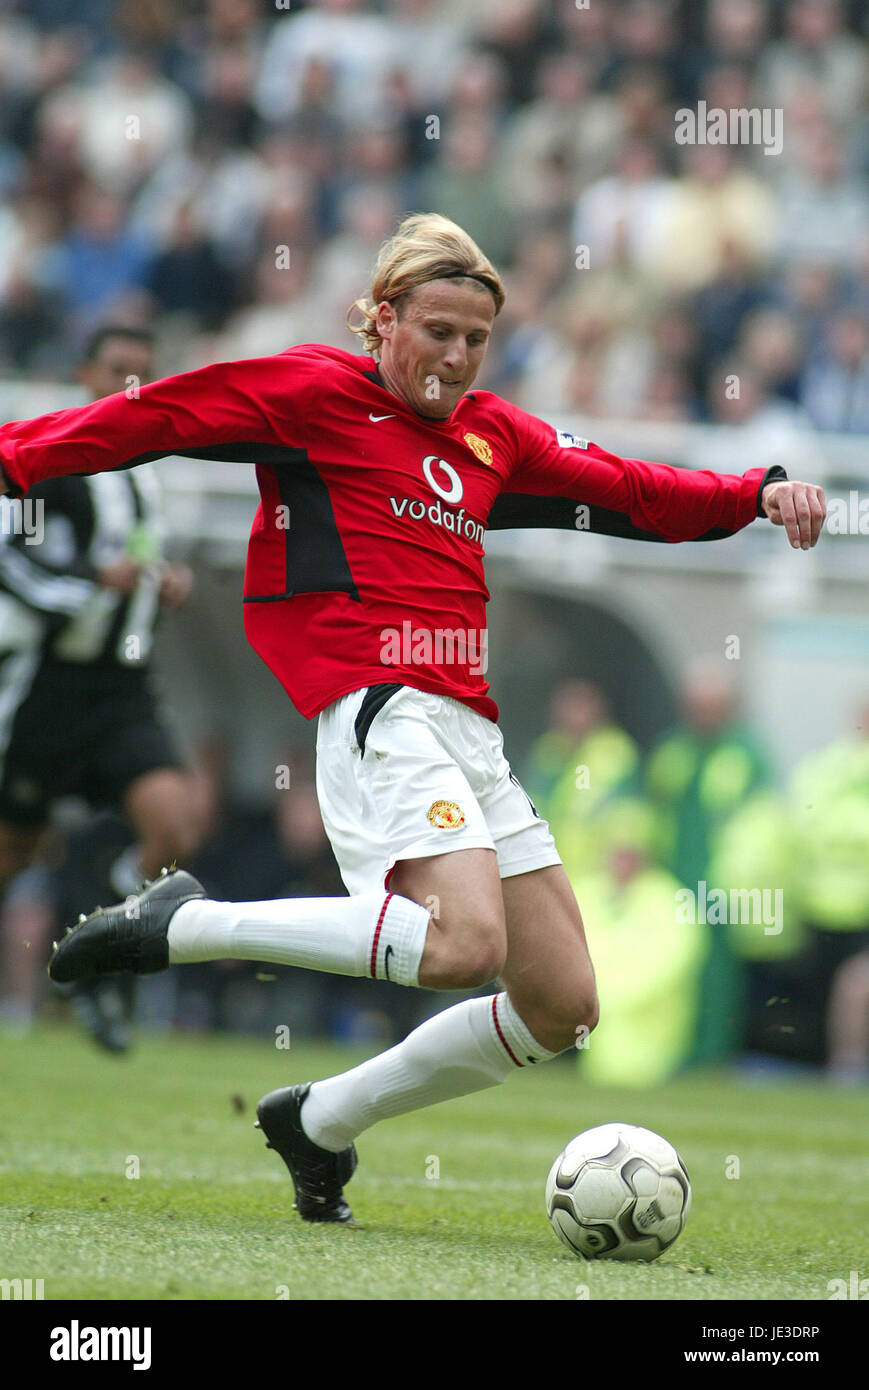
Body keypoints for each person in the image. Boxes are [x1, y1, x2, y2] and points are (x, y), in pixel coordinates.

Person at [0, 213, 825, 1225]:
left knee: (561, 1003)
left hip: (468, 728)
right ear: (380, 320)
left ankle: (318, 1121)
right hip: (377, 704)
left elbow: (630, 488)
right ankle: (187, 922)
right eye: (436, 330)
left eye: (474, 340)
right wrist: (15, 458)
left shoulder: (491, 432)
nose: (453, 357)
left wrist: (757, 490)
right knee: (459, 944)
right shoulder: (313, 392)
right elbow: (159, 414)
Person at [0, 324, 202, 1047]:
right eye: (118, 371)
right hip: (45, 688)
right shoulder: (43, 461)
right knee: (13, 852)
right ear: (84, 375)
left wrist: (159, 588)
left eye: (143, 376)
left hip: (122, 691)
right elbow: (11, 564)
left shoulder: (147, 473)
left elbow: (137, 567)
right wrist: (91, 583)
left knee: (175, 826)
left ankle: (96, 948)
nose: (130, 390)